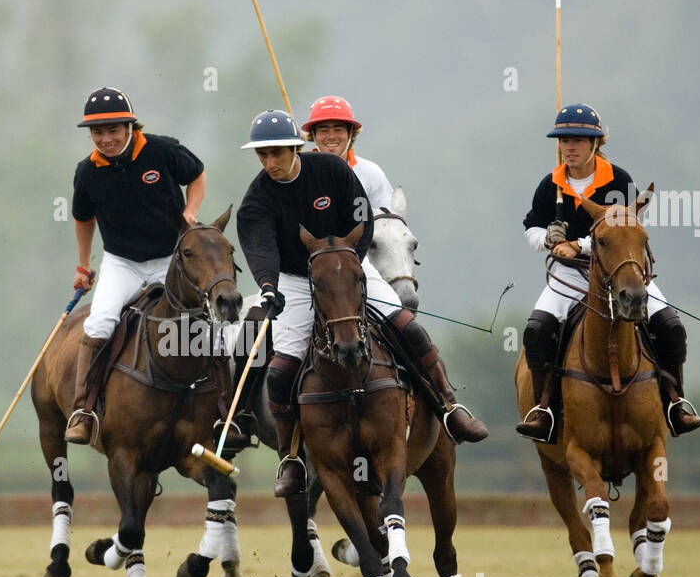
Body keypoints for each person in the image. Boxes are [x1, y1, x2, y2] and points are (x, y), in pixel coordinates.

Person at [235, 110, 488, 498]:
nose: (270, 163)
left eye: (277, 153)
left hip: (349, 264)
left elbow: (362, 216)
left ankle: (450, 409)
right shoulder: (257, 198)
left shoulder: (331, 171)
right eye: (263, 155)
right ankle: (290, 458)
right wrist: (268, 286)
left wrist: (347, 257)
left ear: (295, 148)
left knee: (406, 327)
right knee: (282, 367)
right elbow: (260, 246)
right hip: (298, 280)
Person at [517, 103, 700, 440]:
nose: (568, 147)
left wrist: (579, 244)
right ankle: (544, 410)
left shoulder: (618, 179)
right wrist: (549, 239)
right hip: (571, 278)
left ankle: (675, 402)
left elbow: (626, 229)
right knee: (536, 331)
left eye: (576, 140)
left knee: (670, 326)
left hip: (620, 273)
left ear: (595, 143)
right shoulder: (552, 185)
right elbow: (530, 228)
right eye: (563, 140)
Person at [64, 86, 210, 445]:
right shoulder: (87, 172)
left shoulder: (162, 150)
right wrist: (84, 266)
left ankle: (223, 407)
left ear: (131, 126)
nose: (106, 138)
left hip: (171, 259)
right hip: (122, 262)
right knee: (99, 322)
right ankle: (83, 409)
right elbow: (84, 219)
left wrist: (190, 211)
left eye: (114, 130)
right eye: (98, 132)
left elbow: (197, 175)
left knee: (204, 322)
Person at [301, 95, 395, 212]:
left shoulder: (371, 173)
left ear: (351, 133)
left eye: (338, 129)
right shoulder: (299, 174)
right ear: (313, 134)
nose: (331, 137)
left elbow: (389, 222)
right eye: (323, 130)